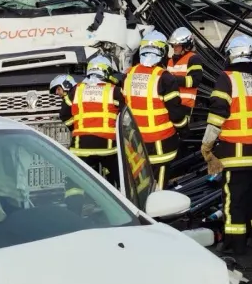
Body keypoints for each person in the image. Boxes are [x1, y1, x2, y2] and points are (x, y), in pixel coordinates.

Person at [202, 35, 252, 254]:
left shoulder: (227, 79)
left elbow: (217, 115)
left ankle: (235, 244)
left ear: (232, 55)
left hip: (235, 155)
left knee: (234, 200)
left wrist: (207, 145)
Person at [123, 31, 188, 189]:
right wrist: (185, 129)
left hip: (134, 140)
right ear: (163, 52)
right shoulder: (164, 77)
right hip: (160, 142)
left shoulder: (129, 74)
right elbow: (175, 112)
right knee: (159, 186)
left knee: (138, 186)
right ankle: (156, 213)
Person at [62, 56, 123, 184]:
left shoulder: (76, 90)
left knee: (76, 181)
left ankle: (74, 201)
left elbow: (64, 114)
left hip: (81, 145)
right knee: (117, 178)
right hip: (108, 147)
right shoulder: (114, 91)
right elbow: (124, 115)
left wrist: (77, 129)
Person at [166, 26, 206, 117]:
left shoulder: (193, 58)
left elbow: (195, 80)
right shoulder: (170, 61)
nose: (174, 48)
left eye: (178, 45)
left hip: (184, 105)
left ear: (186, 46)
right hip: (170, 104)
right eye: (174, 45)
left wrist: (172, 79)